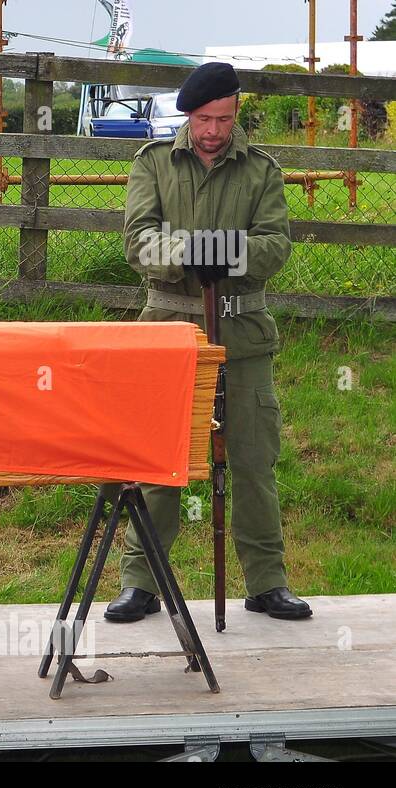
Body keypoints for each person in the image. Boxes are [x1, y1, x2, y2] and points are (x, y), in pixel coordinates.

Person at [108, 62, 311, 623]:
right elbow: (138, 243)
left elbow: (276, 246)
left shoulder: (261, 171)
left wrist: (231, 254)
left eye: (223, 118)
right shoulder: (153, 164)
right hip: (170, 336)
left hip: (243, 336)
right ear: (187, 115)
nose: (214, 131)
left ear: (236, 111)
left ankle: (267, 582)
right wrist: (186, 256)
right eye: (203, 119)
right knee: (160, 459)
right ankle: (142, 582)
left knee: (253, 462)